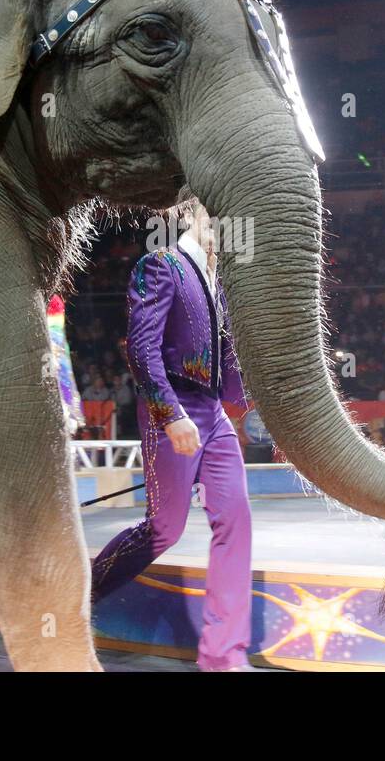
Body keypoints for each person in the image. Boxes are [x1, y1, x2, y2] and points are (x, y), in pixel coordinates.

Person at [89, 203, 252, 671]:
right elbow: (142, 349)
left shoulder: (220, 282)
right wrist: (169, 414)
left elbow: (227, 356)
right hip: (173, 408)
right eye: (213, 212)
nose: (223, 225)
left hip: (214, 413)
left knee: (235, 519)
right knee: (165, 529)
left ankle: (223, 655)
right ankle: (83, 593)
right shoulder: (160, 265)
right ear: (187, 212)